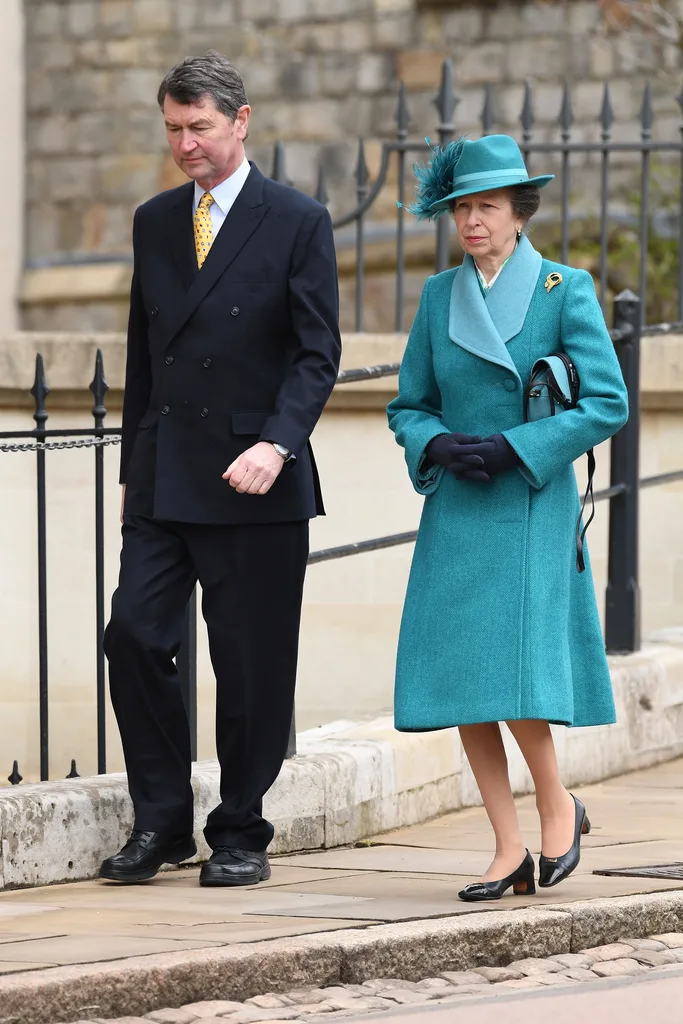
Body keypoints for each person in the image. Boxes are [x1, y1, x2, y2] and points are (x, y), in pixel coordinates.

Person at [100, 51, 341, 887]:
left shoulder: (297, 219)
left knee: (249, 668)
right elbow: (143, 352)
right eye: (172, 128)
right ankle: (162, 820)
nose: (185, 144)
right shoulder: (155, 219)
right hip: (166, 475)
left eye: (199, 127)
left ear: (240, 122)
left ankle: (240, 827)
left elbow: (317, 354)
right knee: (130, 633)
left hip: (256, 477)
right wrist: (137, 461)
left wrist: (275, 445)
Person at [387, 134, 628, 901]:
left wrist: (516, 447)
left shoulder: (566, 289)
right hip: (458, 505)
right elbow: (407, 406)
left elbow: (607, 403)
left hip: (527, 500)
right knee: (465, 682)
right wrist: (439, 443)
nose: (472, 221)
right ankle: (504, 846)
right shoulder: (435, 297)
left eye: (486, 206)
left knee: (514, 678)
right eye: (461, 207)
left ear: (519, 213)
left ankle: (557, 804)